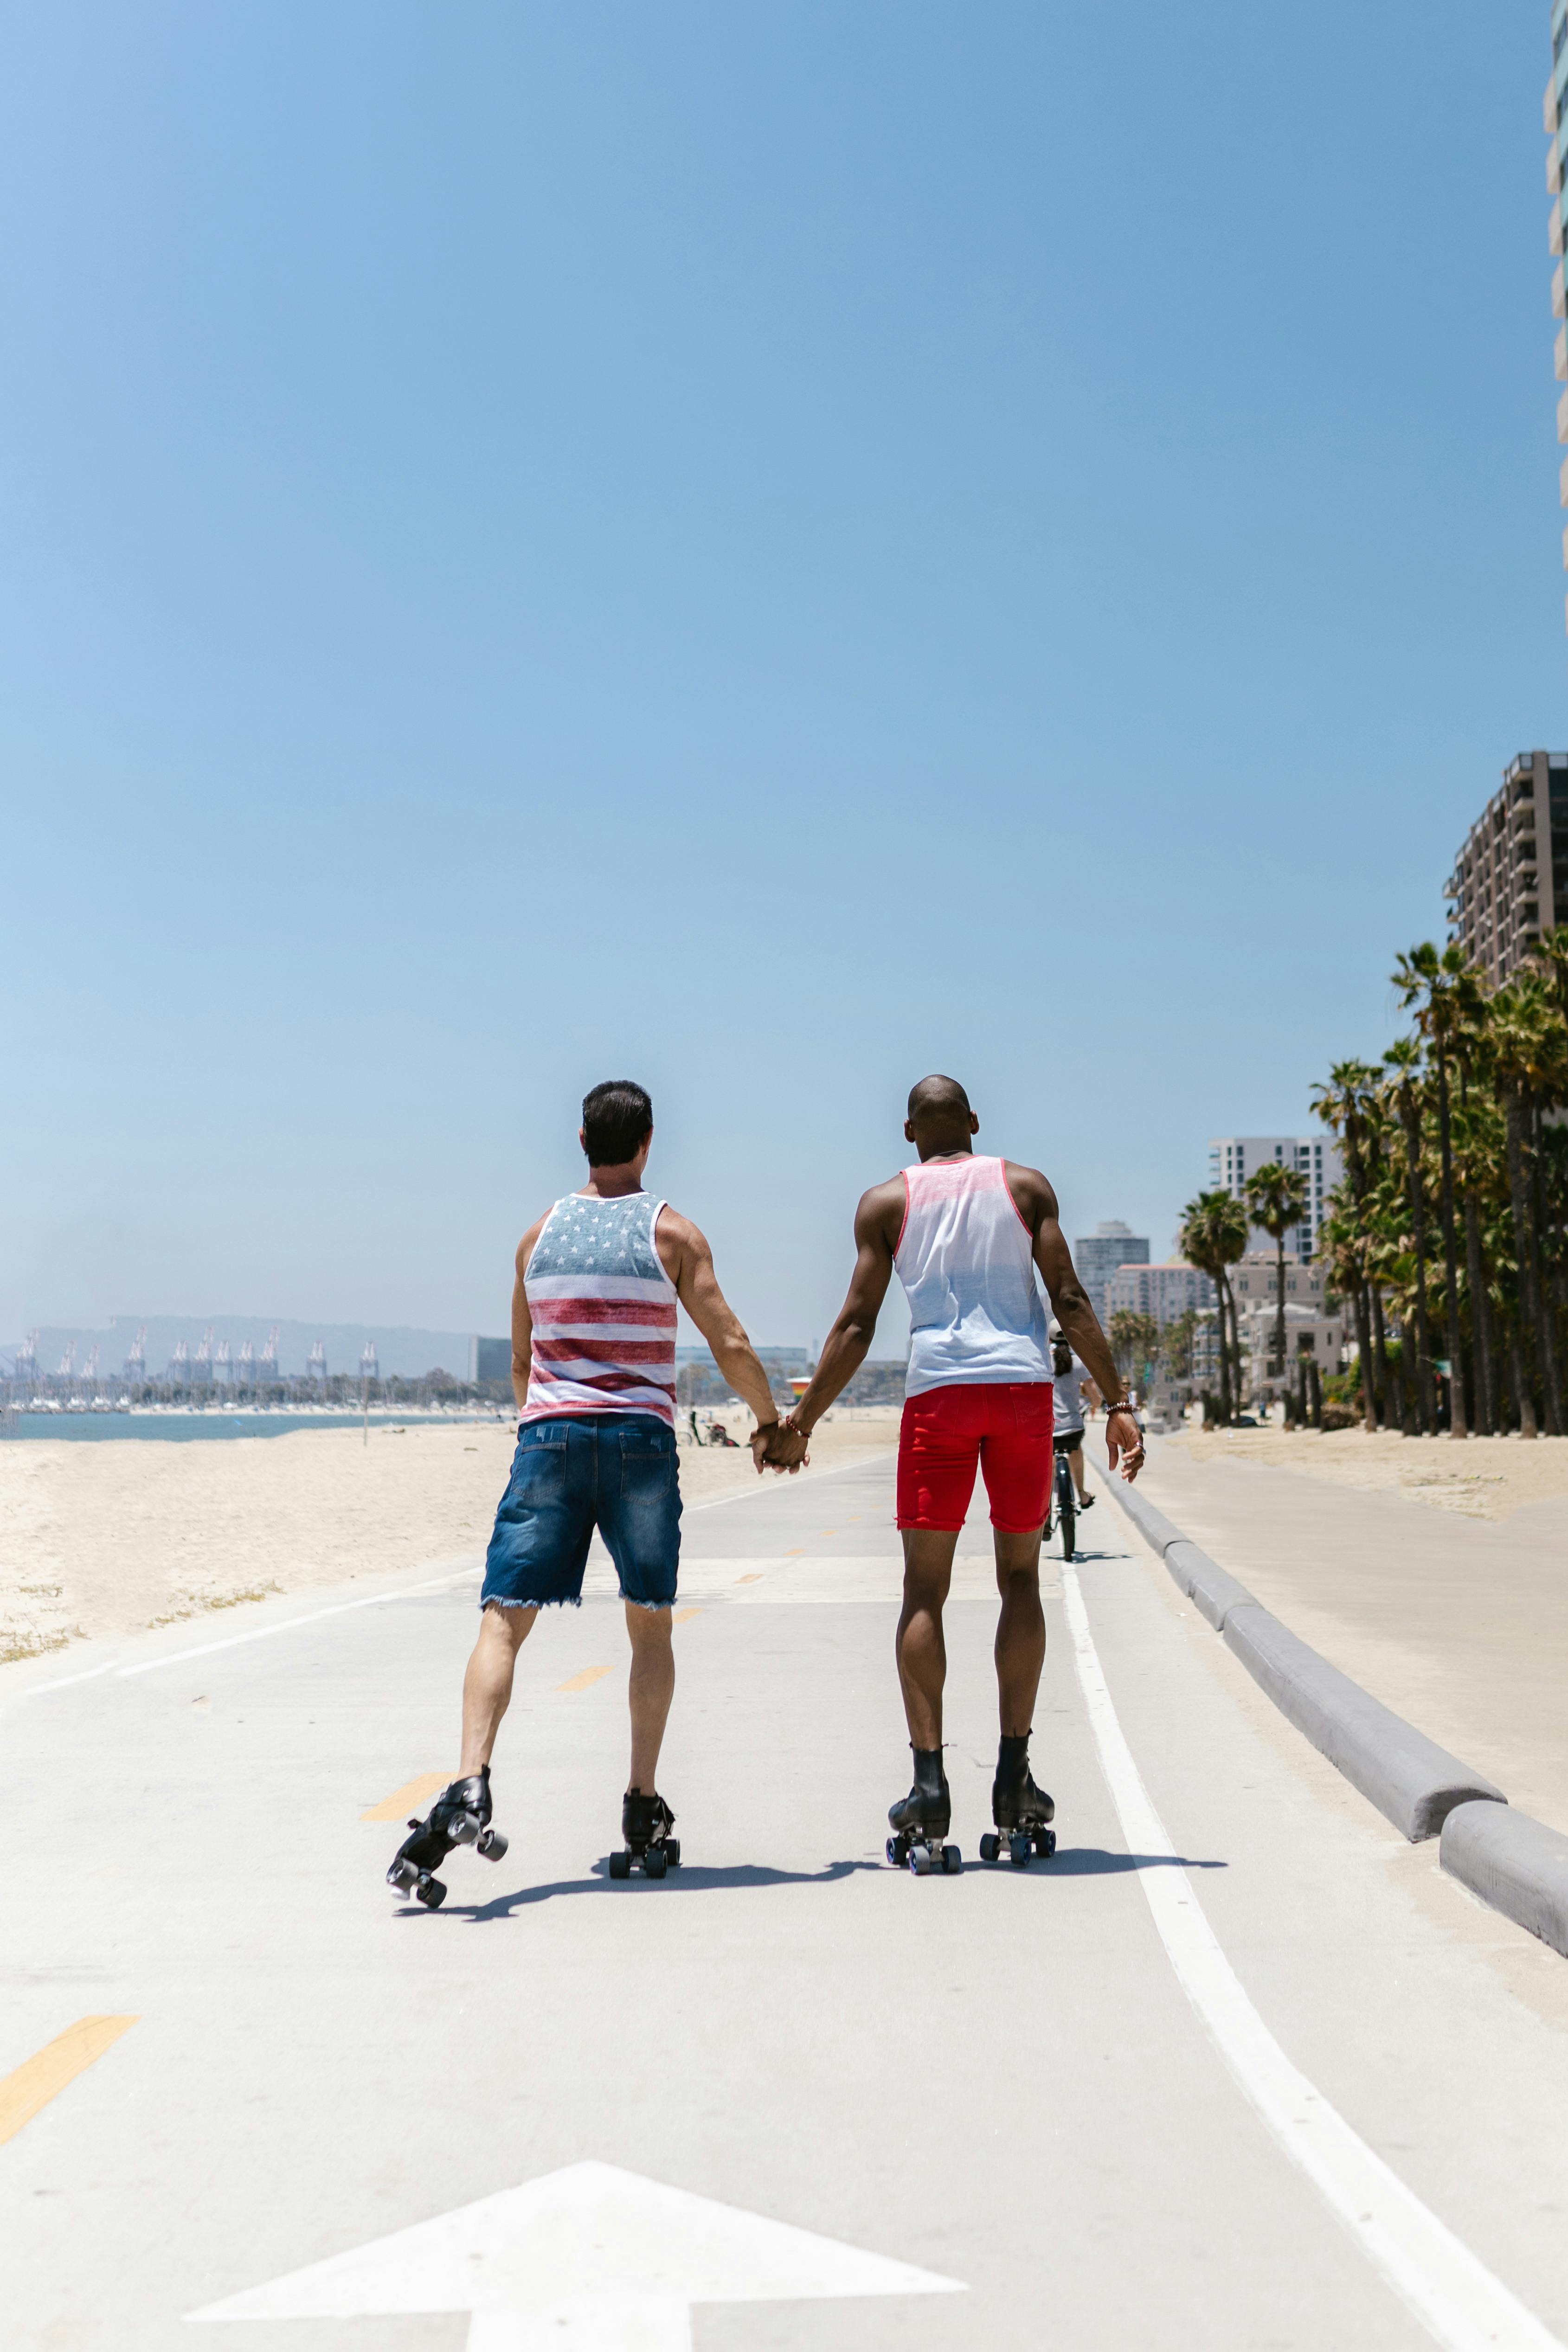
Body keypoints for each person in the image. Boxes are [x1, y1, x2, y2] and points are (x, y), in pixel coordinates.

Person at [387, 1080, 790, 1905]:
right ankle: (641, 1805)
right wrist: (772, 1421)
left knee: (503, 1620)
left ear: (580, 1139)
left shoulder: (537, 1238)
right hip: (639, 1443)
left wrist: (542, 1430)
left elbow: (519, 1361)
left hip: (552, 1439)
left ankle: (470, 1781)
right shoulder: (672, 1233)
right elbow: (730, 1337)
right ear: (647, 1142)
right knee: (649, 1626)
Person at [764, 1075, 1142, 1868]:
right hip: (1021, 1396)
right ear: (974, 1121)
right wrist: (1117, 1401)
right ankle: (1014, 1777)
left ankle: (929, 1786)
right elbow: (1068, 1297)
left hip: (938, 1395)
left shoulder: (885, 1204)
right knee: (1021, 1582)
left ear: (909, 1133)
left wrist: (802, 1423)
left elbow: (858, 1324)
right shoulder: (1026, 1186)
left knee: (924, 1592)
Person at [1046, 1324, 1095, 1526]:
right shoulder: (1078, 1364)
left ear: (1049, 1340)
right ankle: (1082, 1494)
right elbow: (1098, 1400)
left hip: (1048, 1427)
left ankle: (1045, 1510)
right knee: (1076, 1448)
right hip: (1073, 1426)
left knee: (1048, 1463)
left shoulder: (1043, 1361)